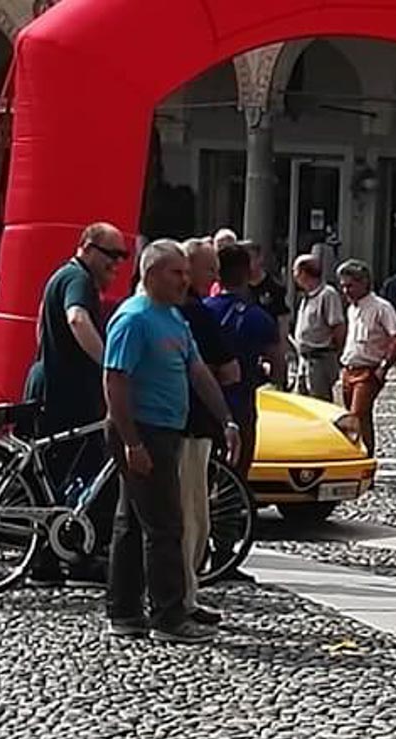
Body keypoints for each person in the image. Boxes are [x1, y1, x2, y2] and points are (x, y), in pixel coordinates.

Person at [103, 239, 238, 646]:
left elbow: (197, 371)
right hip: (143, 430)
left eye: (185, 272)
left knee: (132, 524)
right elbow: (115, 381)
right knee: (165, 526)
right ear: (150, 275)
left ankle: (125, 612)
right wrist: (132, 442)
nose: (185, 280)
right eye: (175, 273)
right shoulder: (134, 319)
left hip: (166, 430)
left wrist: (226, 419)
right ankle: (168, 617)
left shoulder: (175, 319)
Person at [32, 221, 129, 585]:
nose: (117, 264)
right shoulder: (78, 280)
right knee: (90, 472)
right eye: (111, 255)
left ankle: (53, 557)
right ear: (87, 247)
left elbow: (40, 327)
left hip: (49, 383)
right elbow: (76, 318)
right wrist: (108, 364)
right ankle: (77, 557)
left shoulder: (59, 275)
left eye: (122, 256)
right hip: (67, 394)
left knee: (54, 475)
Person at [176, 238, 237, 623]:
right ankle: (182, 598)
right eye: (208, 268)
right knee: (191, 517)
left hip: (176, 425)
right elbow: (228, 370)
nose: (215, 275)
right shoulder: (195, 314)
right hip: (189, 427)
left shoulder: (156, 312)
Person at [205, 242, 282, 482]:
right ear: (248, 274)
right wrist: (274, 380)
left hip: (204, 401)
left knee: (202, 469)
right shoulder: (258, 317)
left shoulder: (204, 310)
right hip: (241, 401)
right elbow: (278, 363)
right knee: (238, 470)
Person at [335, 259, 396, 455]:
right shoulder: (352, 309)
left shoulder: (381, 307)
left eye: (350, 285)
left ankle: (363, 456)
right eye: (342, 286)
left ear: (364, 282)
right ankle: (359, 455)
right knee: (357, 418)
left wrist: (384, 366)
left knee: (356, 416)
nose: (345, 290)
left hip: (368, 371)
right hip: (349, 369)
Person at [290, 254, 347, 403]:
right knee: (302, 403)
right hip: (305, 360)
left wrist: (337, 353)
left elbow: (338, 326)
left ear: (303, 273)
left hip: (321, 359)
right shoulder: (306, 297)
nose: (293, 275)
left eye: (295, 271)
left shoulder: (327, 294)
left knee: (319, 402)